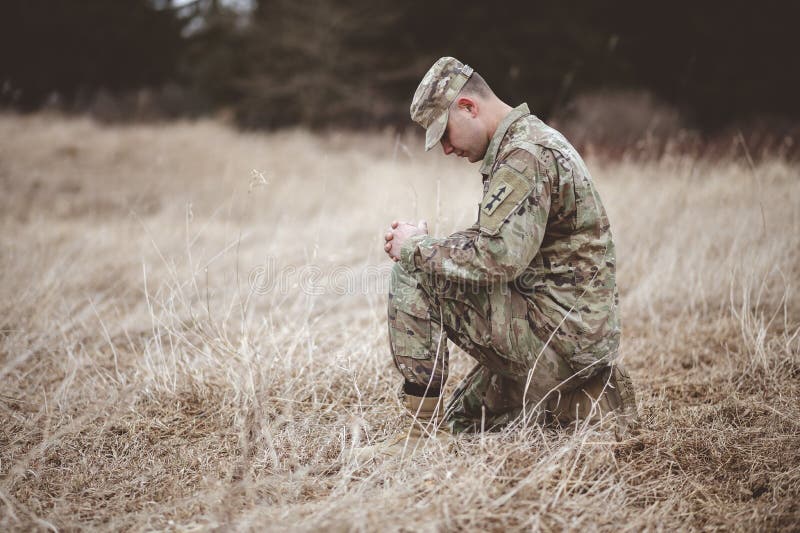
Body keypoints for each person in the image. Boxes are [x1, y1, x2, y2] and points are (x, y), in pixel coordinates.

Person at [358, 57, 638, 459]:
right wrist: (430, 242)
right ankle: (582, 400)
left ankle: (417, 440)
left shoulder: (525, 154)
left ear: (468, 107)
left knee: (414, 274)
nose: (446, 148)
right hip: (568, 335)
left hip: (553, 338)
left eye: (445, 134)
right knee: (461, 421)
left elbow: (498, 258)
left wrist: (416, 249)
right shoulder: (527, 143)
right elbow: (500, 242)